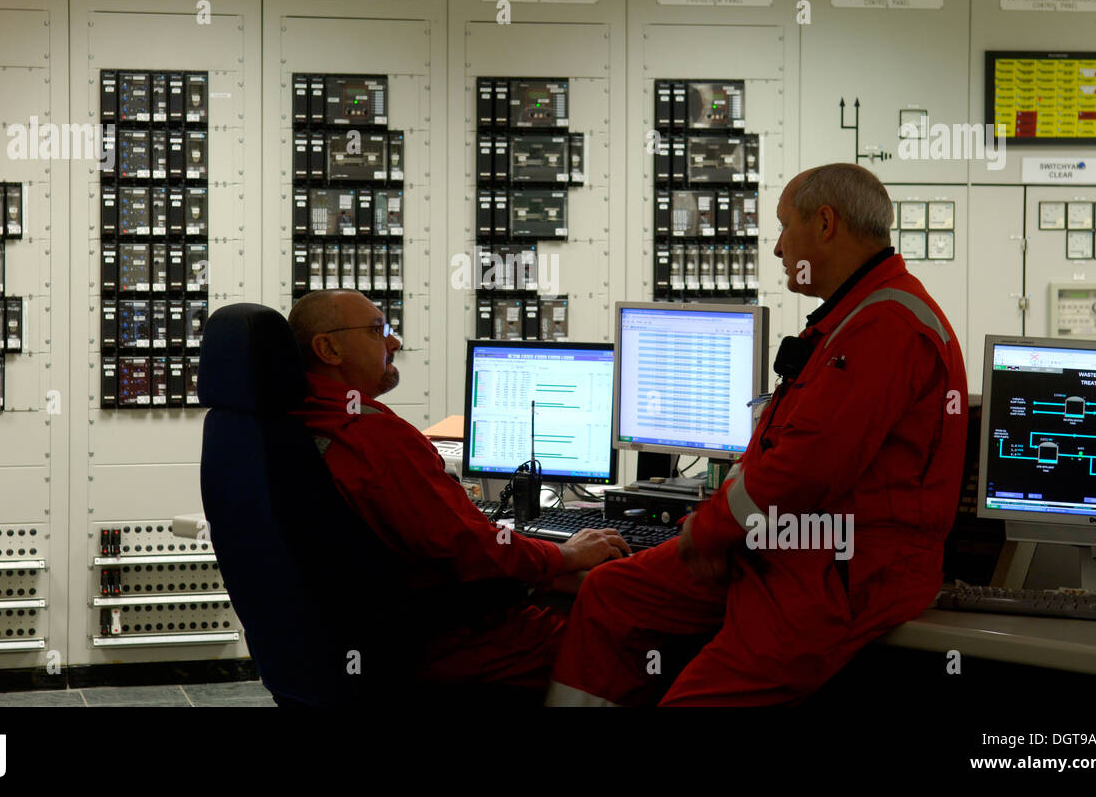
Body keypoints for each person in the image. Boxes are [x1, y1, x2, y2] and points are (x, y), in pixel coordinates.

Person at [547, 163, 969, 706]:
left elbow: (806, 469)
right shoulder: (847, 319)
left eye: (782, 226)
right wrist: (723, 527)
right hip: (784, 546)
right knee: (611, 593)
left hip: (845, 571)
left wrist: (713, 529)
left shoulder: (887, 326)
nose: (776, 249)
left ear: (824, 224)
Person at [287, 289, 629, 692]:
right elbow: (472, 549)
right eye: (377, 331)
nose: (394, 343)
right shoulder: (372, 438)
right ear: (328, 348)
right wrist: (567, 554)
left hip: (353, 645)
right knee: (624, 643)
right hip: (448, 647)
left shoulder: (296, 421)